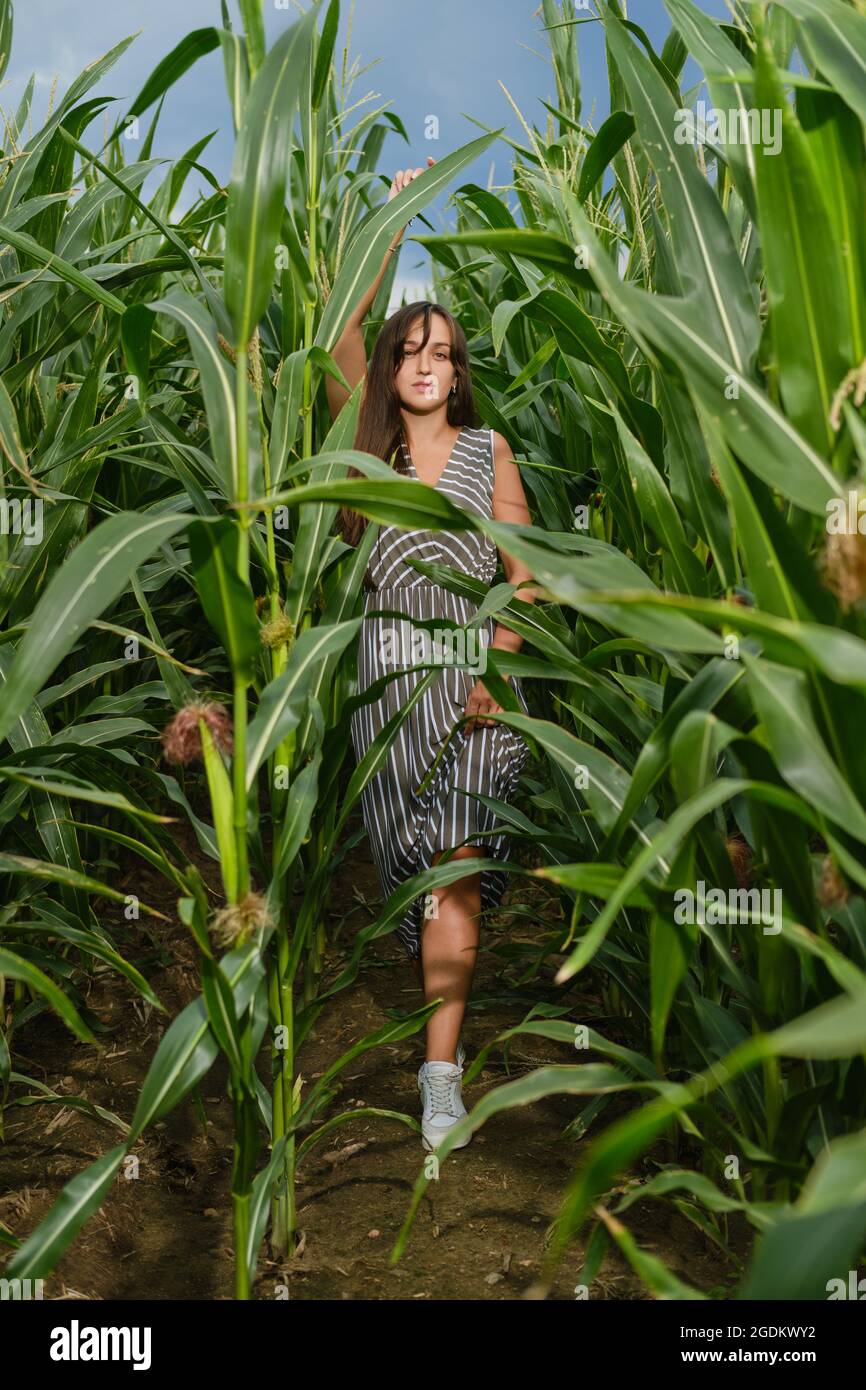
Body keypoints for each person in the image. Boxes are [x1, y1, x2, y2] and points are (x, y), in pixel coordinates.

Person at [327, 162, 538, 1151]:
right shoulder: (369, 455)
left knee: (455, 868)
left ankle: (440, 1076)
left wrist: (494, 669)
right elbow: (335, 331)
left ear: (458, 372)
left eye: (441, 352)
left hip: (469, 686)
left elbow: (521, 573)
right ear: (391, 368)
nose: (423, 363)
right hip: (387, 685)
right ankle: (435, 1033)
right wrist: (394, 220)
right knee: (411, 876)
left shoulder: (486, 449)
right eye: (409, 349)